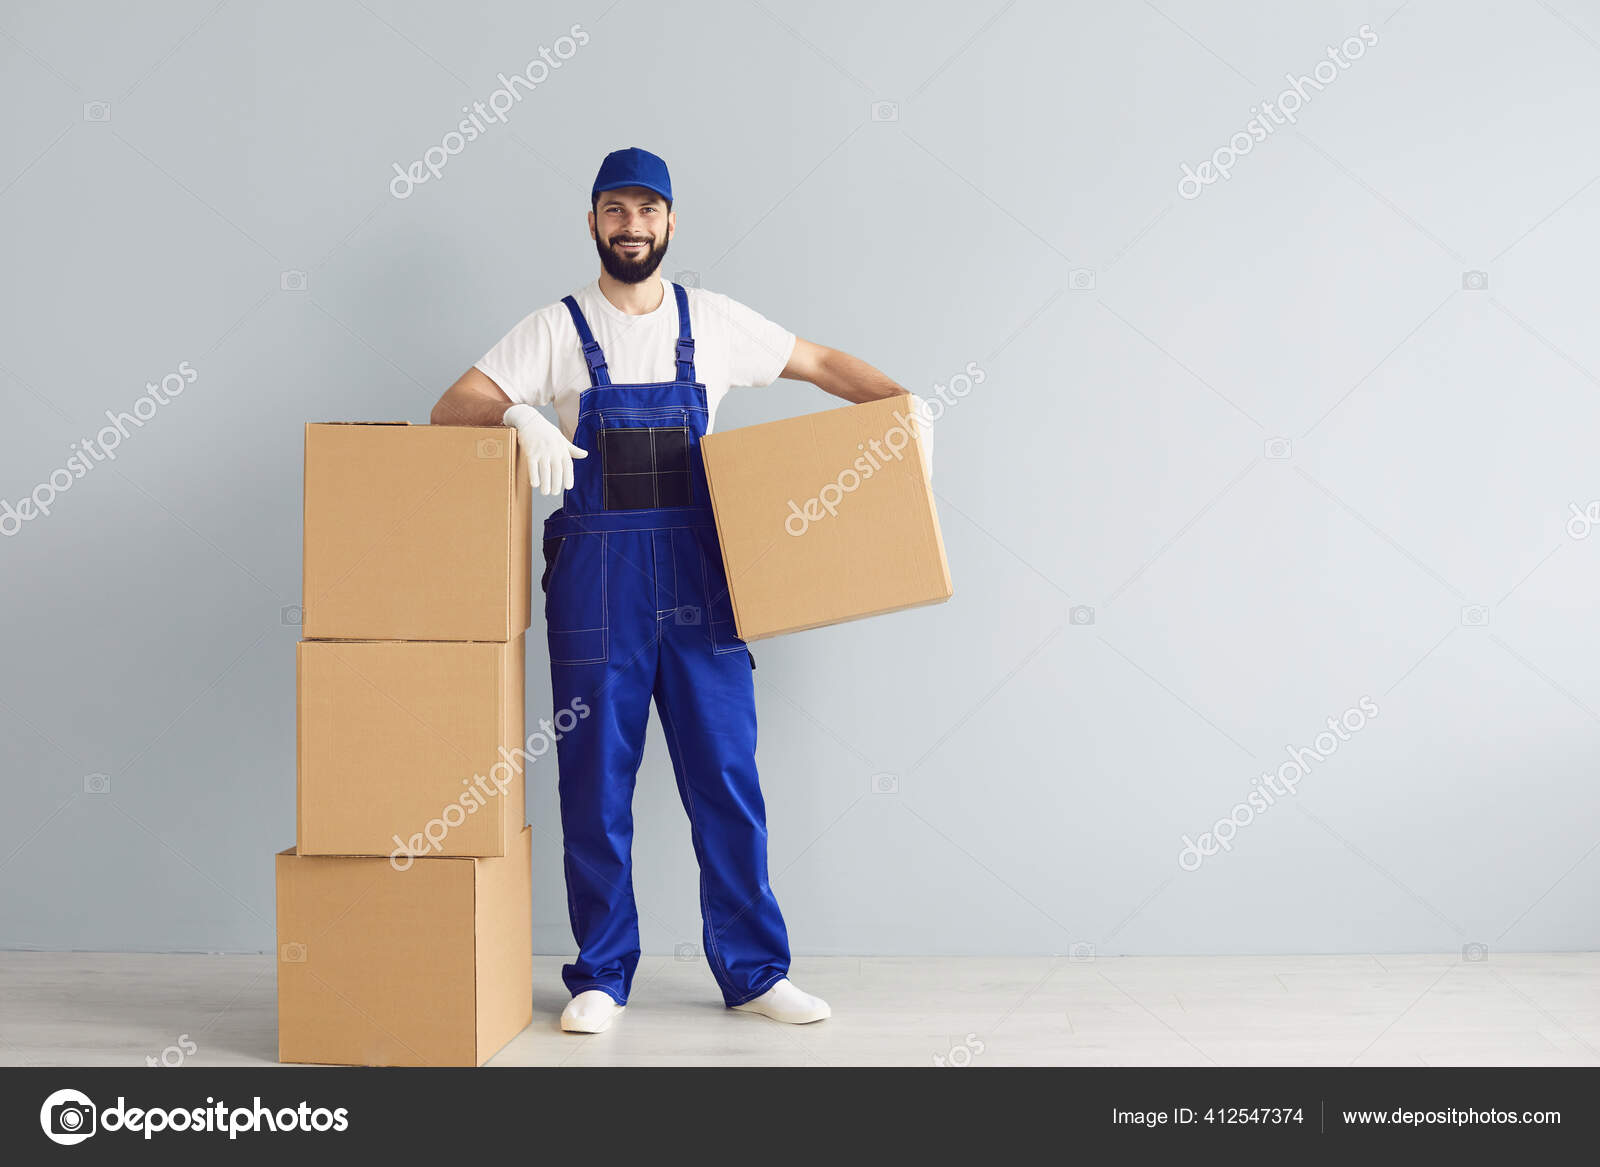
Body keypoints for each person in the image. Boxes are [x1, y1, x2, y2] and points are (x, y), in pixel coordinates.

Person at [431, 146, 930, 1034]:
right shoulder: (556, 328)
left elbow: (817, 360)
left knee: (726, 776)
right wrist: (514, 412)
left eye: (647, 210)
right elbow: (450, 405)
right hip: (597, 588)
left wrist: (905, 405)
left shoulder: (716, 321)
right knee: (594, 782)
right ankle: (601, 974)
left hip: (704, 580)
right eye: (615, 210)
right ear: (592, 221)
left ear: (670, 223)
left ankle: (754, 972)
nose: (632, 226)